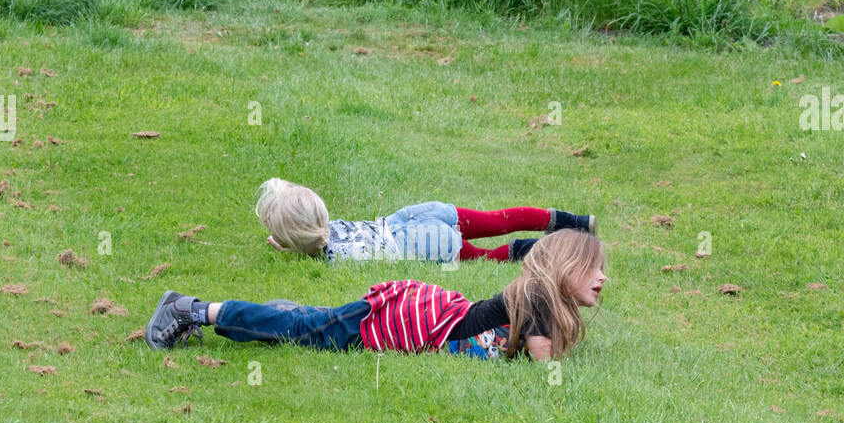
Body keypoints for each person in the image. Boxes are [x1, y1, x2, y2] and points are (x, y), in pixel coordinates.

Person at [145, 230, 606, 361]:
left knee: (314, 325)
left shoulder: (538, 295)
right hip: (403, 320)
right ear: (565, 269)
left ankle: (292, 313)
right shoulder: (540, 297)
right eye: (594, 268)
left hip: (416, 311)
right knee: (305, 333)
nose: (603, 278)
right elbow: (547, 369)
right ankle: (189, 309)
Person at [254, 177, 596, 264]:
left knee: (481, 257)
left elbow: (313, 246)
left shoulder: (331, 255)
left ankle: (533, 249)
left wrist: (291, 247)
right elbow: (311, 234)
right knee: (496, 220)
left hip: (418, 242)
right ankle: (575, 221)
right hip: (413, 217)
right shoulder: (336, 225)